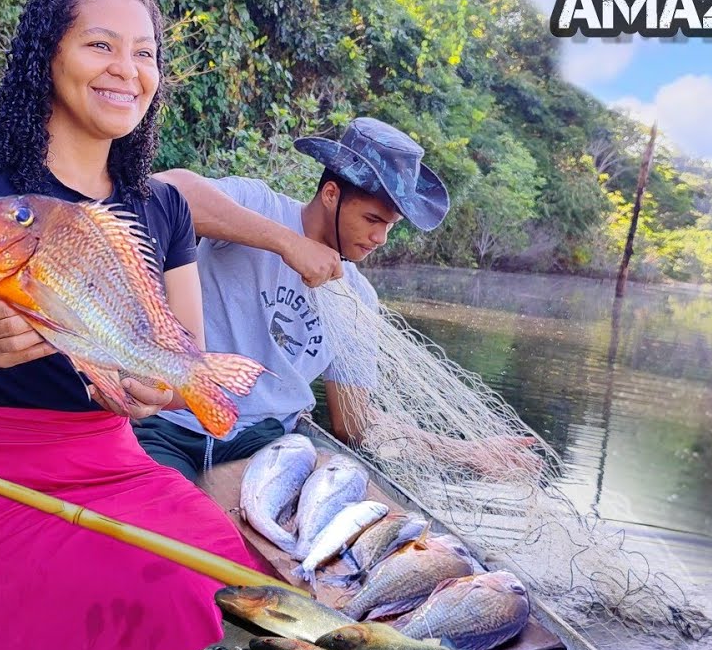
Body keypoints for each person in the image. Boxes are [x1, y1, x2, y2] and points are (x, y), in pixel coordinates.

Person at [0, 0, 266, 650]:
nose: (127, 71)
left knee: (230, 594)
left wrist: (156, 393)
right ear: (45, 56)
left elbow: (185, 366)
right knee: (135, 605)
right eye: (100, 46)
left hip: (116, 468)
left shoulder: (162, 208)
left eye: (145, 54)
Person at [133, 117, 539, 480]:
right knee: (162, 529)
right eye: (372, 220)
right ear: (331, 194)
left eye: (390, 226)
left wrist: (467, 453)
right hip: (171, 427)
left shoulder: (358, 298)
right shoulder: (260, 207)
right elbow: (161, 193)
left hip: (266, 449)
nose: (380, 238)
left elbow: (354, 425)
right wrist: (286, 243)